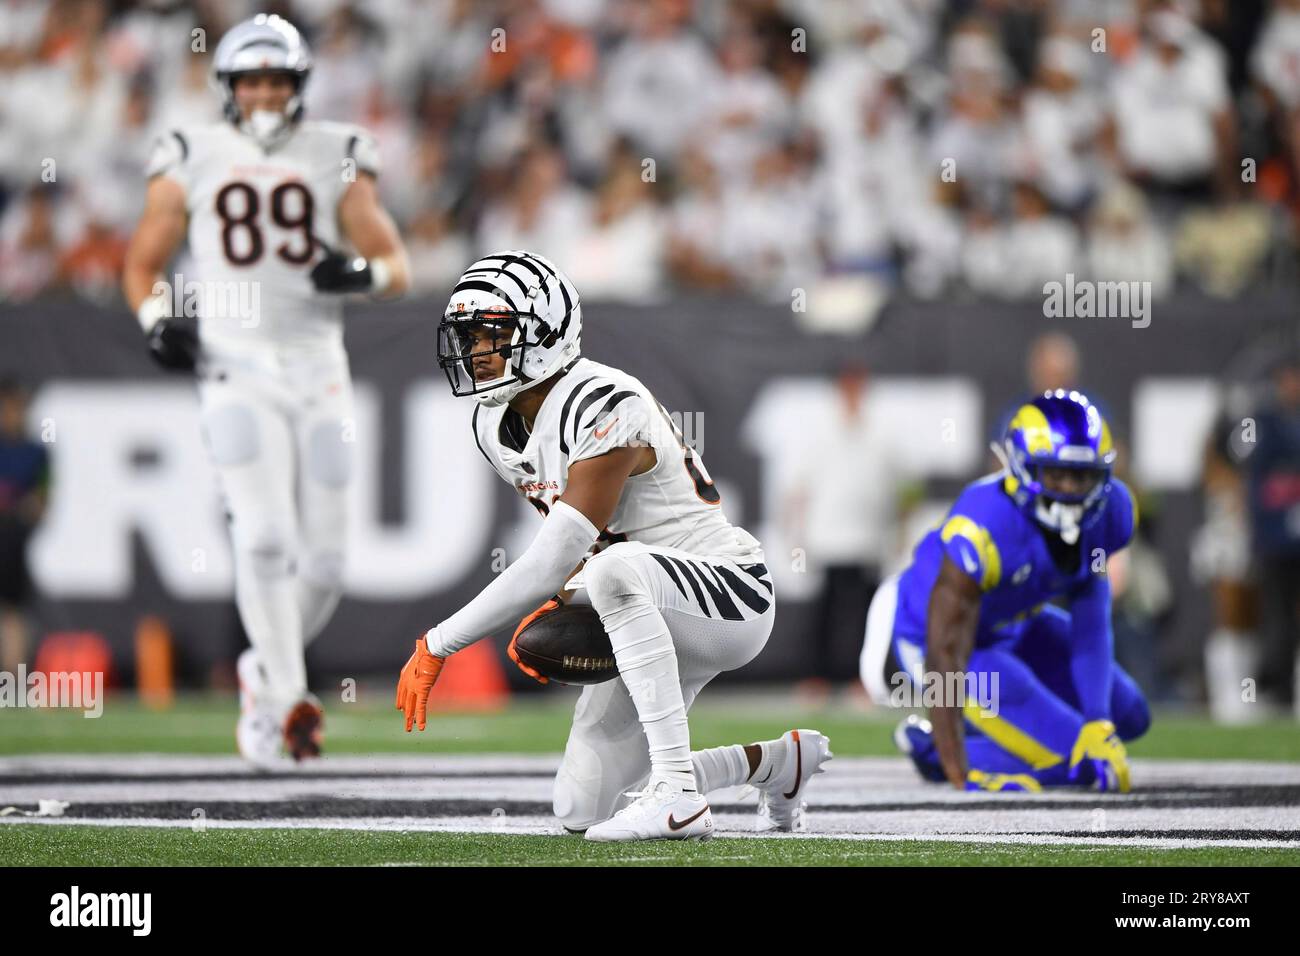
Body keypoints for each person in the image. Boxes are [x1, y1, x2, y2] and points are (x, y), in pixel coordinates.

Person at [396, 250, 831, 841]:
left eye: (491, 334)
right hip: (642, 598)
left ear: (542, 336)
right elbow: (582, 550)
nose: (475, 352)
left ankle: (678, 796)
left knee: (612, 574)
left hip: (728, 591)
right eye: (468, 336)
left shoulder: (604, 400)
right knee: (583, 810)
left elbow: (561, 552)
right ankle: (776, 764)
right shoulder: (492, 425)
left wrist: (439, 643)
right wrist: (569, 599)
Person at [122, 15, 410, 766]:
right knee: (265, 535)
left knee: (327, 566)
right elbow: (142, 262)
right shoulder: (191, 150)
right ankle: (283, 702)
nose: (263, 93)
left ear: (299, 85)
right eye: (251, 80)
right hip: (234, 366)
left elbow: (394, 265)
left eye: (277, 79)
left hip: (318, 367)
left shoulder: (337, 151)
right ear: (227, 87)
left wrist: (359, 274)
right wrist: (158, 319)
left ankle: (259, 672)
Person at [861, 390, 1150, 792]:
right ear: (1021, 468)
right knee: (1081, 764)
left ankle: (992, 738)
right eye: (1056, 474)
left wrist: (1098, 720)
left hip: (1014, 623)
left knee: (1131, 716)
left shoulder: (1112, 512)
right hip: (923, 635)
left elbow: (1091, 616)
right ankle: (933, 748)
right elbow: (945, 650)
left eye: (1081, 476)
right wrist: (957, 769)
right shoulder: (984, 526)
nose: (1069, 489)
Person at [0, 379, 48, 674]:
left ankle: (11, 683)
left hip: (11, 541)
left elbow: (40, 504)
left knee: (13, 613)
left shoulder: (34, 453)